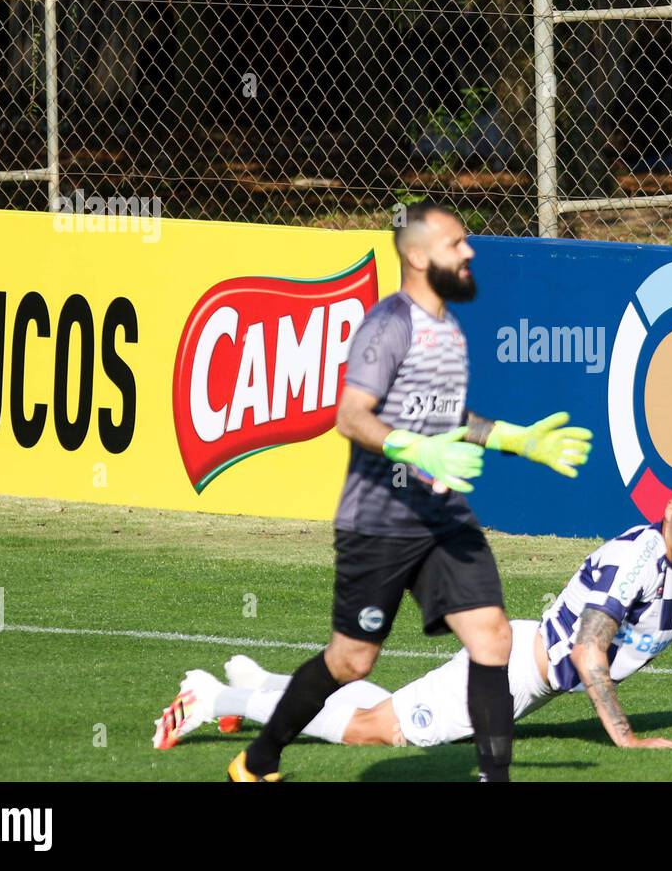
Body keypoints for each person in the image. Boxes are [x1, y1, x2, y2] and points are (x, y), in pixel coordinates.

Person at [227, 203, 592, 781]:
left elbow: (449, 419)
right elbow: (351, 416)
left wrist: (515, 439)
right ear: (418, 256)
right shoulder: (389, 324)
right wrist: (413, 449)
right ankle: (258, 758)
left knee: (492, 638)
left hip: (441, 516)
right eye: (456, 244)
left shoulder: (447, 328)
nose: (470, 252)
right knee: (352, 660)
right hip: (380, 522)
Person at [159, 473, 672, 752]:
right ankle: (219, 700)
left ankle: (262, 685)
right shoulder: (640, 558)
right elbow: (586, 650)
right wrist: (626, 740)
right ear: (670, 507)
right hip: (513, 673)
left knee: (379, 709)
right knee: (377, 731)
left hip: (525, 670)